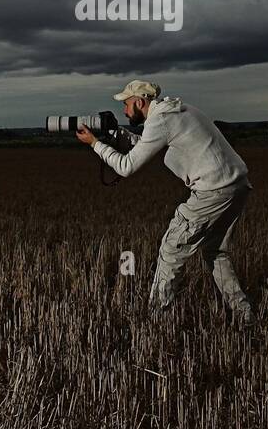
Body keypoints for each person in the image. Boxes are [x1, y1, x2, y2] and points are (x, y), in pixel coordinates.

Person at [76, 80, 256, 325]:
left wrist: (95, 144)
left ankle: (157, 319)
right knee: (214, 251)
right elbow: (148, 144)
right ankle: (244, 315)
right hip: (237, 185)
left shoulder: (161, 120)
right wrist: (117, 135)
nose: (125, 111)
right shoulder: (175, 111)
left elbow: (126, 167)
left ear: (139, 102)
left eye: (127, 105)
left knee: (171, 249)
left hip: (213, 190)